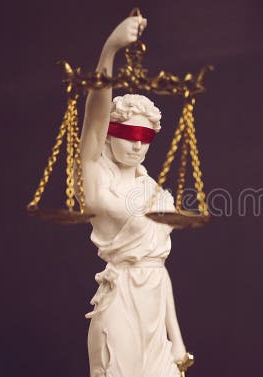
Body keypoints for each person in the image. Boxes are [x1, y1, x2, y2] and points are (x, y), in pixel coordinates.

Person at [79, 14, 187, 377]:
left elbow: (158, 269)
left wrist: (177, 340)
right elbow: (94, 117)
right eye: (129, 134)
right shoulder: (96, 174)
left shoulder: (152, 191)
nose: (138, 145)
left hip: (154, 313)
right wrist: (110, 49)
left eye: (146, 137)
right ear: (110, 133)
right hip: (120, 303)